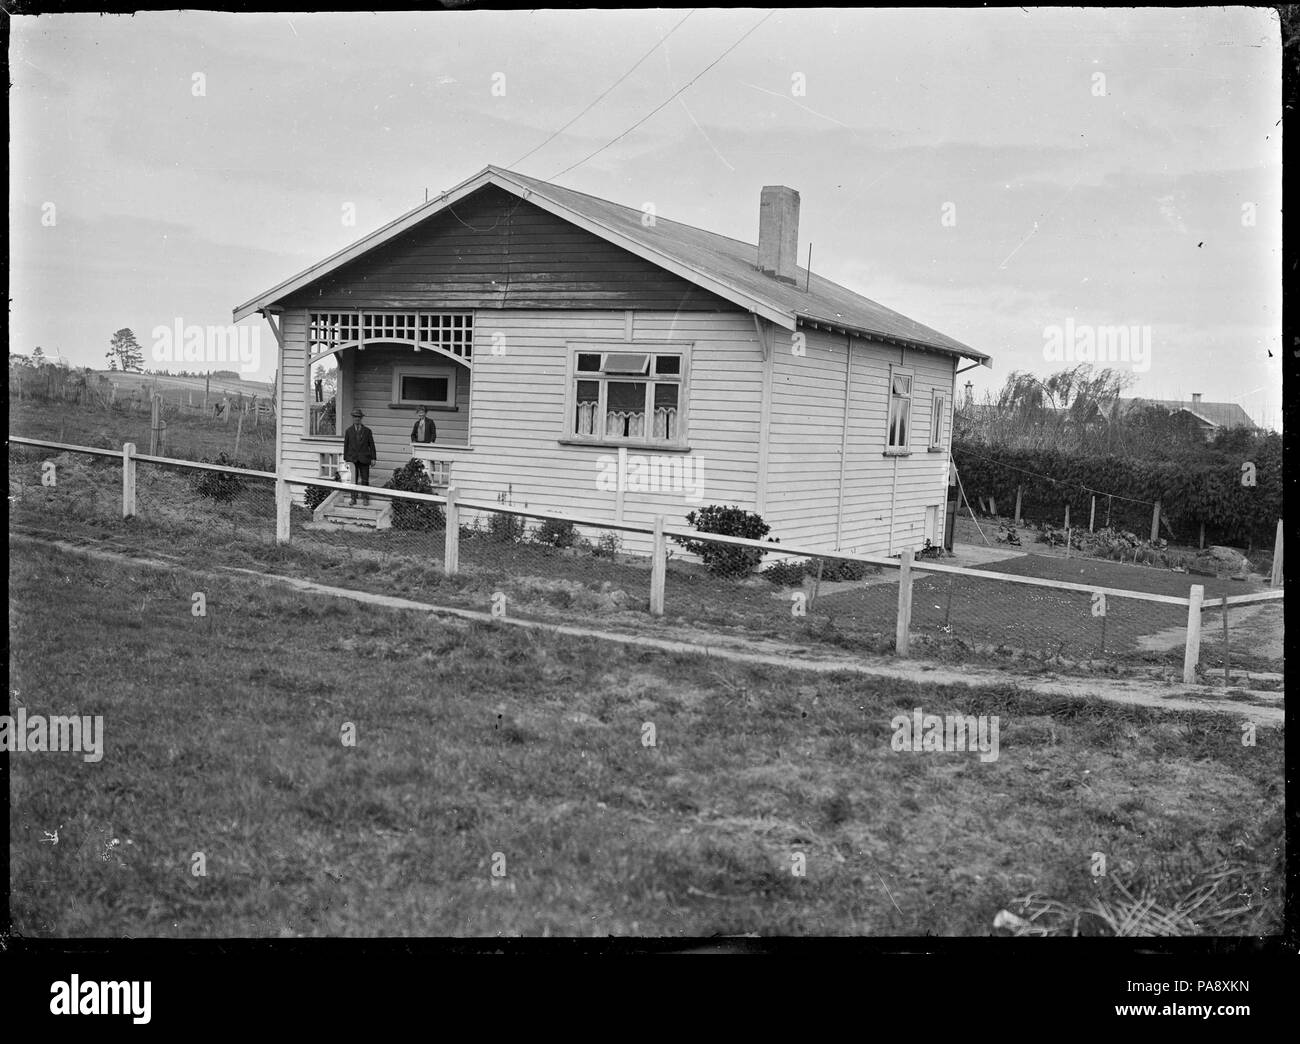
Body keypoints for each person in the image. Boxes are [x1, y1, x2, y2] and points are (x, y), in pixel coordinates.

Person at [343, 408, 377, 504]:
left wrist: (373, 458)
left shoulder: (367, 431)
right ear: (352, 418)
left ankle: (365, 498)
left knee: (365, 479)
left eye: (358, 417)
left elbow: (372, 445)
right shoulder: (348, 431)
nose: (356, 419)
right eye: (355, 417)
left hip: (364, 459)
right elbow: (346, 446)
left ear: (361, 418)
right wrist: (346, 459)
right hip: (352, 459)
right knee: (353, 479)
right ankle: (353, 498)